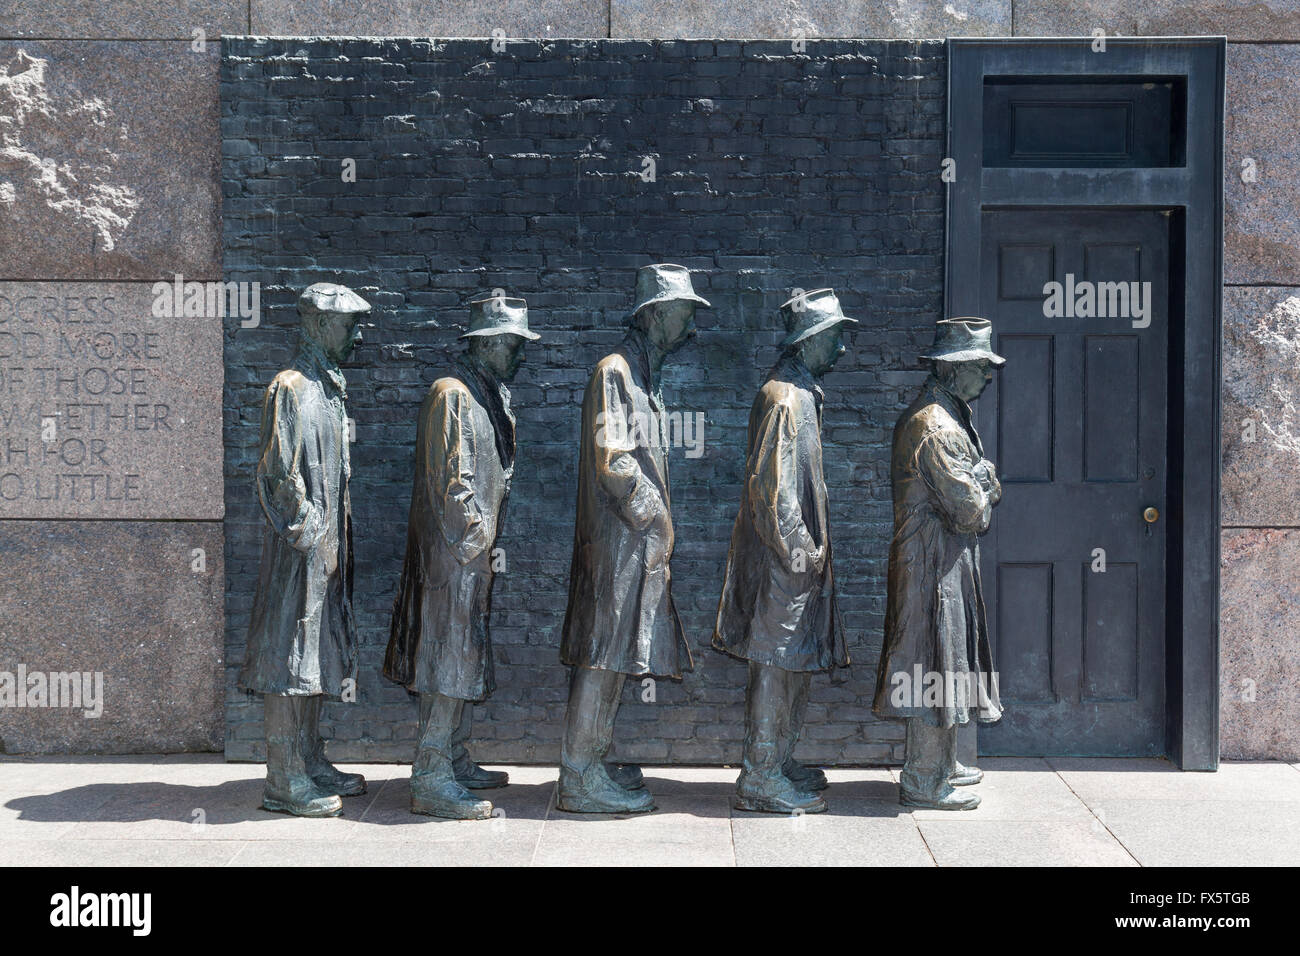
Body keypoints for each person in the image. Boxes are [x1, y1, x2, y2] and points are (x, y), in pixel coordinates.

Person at [558, 263, 710, 813]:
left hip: (633, 544)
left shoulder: (644, 375)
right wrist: (658, 519)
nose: (691, 325)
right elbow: (615, 461)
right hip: (618, 542)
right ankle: (577, 774)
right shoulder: (614, 372)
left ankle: (593, 758)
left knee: (619, 653)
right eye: (684, 312)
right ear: (655, 314)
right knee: (603, 654)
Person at [385, 294, 539, 819]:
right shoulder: (452, 395)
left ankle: (452, 754)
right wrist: (476, 547)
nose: (520, 354)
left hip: (468, 559)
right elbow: (454, 487)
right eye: (515, 344)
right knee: (447, 659)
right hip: (454, 559)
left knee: (461, 655)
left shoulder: (486, 393)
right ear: (490, 342)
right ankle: (431, 776)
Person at [713, 289, 855, 813]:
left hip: (794, 562)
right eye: (835, 338)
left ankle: (781, 758)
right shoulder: (785, 398)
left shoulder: (801, 393)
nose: (842, 350)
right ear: (812, 340)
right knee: (774, 662)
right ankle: (760, 774)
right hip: (784, 564)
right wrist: (803, 553)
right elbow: (771, 489)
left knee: (794, 659)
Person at [240, 282, 371, 818]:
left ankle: (309, 759)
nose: (358, 335)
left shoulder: (329, 388)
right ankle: (283, 778)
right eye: (349, 325)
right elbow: (277, 474)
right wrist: (311, 532)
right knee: (288, 656)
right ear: (317, 325)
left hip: (325, 550)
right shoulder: (291, 387)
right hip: (301, 554)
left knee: (315, 653)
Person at [873, 317, 1006, 810]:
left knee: (948, 658)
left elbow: (978, 493)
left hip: (946, 562)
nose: (987, 377)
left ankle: (944, 763)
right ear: (953, 371)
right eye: (980, 367)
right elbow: (970, 508)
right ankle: (924, 777)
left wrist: (982, 485)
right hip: (932, 566)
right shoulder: (936, 426)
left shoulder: (951, 415)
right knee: (932, 661)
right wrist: (985, 485)